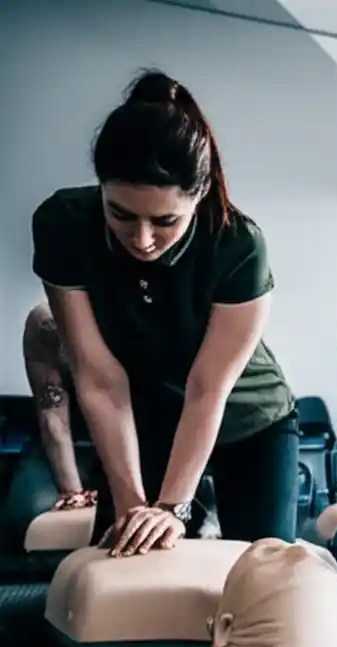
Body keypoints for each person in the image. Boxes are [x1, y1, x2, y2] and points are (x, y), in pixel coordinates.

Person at [30, 70, 298, 556]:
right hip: (144, 417)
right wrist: (135, 508)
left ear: (197, 197)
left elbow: (207, 388)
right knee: (125, 549)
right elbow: (98, 378)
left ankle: (205, 518)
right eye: (121, 215)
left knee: (262, 572)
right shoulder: (63, 225)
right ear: (101, 189)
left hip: (246, 417)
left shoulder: (238, 243)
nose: (143, 239)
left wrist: (173, 508)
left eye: (166, 220)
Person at [3, 303, 98, 546]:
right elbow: (53, 421)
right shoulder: (47, 323)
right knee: (27, 514)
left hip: (140, 443)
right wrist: (73, 496)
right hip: (70, 445)